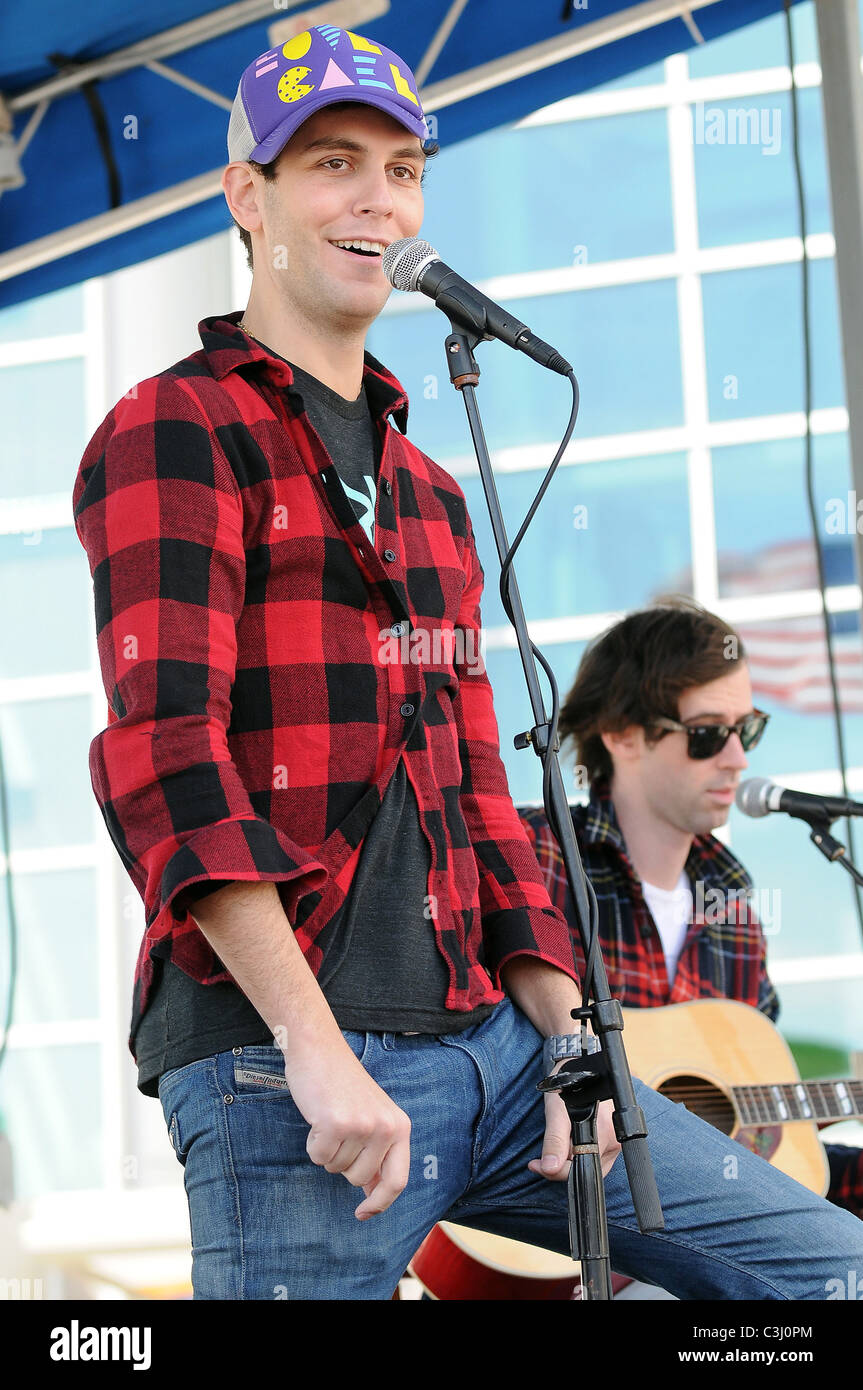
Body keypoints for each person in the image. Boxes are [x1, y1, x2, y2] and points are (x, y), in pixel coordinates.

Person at [72, 27, 863, 1300]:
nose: (375, 198)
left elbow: (481, 798)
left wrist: (566, 1040)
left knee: (828, 1273)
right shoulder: (178, 425)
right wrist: (317, 1050)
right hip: (291, 1069)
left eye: (401, 170)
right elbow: (162, 754)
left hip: (498, 1051)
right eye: (332, 162)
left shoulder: (433, 488)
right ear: (246, 197)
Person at [518, 596, 863, 1228]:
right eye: (708, 734)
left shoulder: (729, 895)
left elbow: (761, 1129)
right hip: (551, 1217)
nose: (738, 758)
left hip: (695, 1236)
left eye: (747, 729)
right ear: (621, 732)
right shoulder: (534, 856)